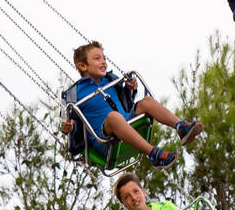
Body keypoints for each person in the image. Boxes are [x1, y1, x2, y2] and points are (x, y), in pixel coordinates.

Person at [61, 41, 202, 170]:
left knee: (146, 101)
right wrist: (68, 126)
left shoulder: (110, 79)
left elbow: (127, 100)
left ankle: (180, 127)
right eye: (97, 58)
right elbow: (66, 120)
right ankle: (154, 154)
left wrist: (130, 88)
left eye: (104, 58)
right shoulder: (73, 92)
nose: (104, 62)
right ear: (83, 65)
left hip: (127, 121)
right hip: (105, 139)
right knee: (113, 117)